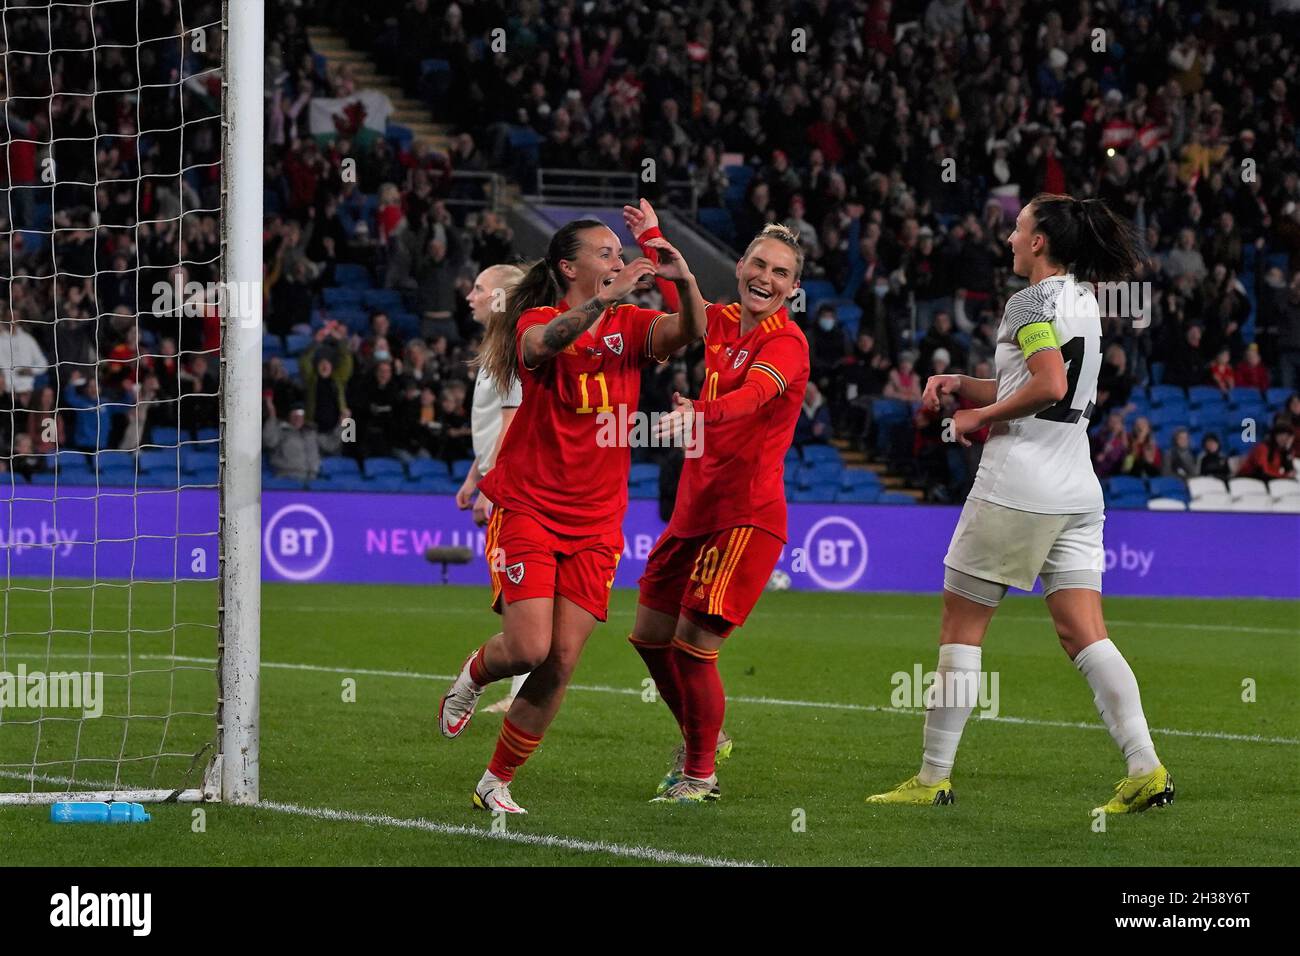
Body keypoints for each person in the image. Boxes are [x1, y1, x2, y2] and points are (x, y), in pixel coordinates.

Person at [868, 194, 1173, 815]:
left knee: (962, 628)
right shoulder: (1085, 299)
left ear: (1038, 242)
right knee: (1084, 634)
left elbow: (1048, 385)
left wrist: (977, 413)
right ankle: (1145, 767)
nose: (1009, 237)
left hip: (1019, 485)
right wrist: (965, 386)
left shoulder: (1029, 301)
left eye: (1017, 227)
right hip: (1077, 487)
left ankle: (932, 779)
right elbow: (1044, 386)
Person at [436, 217, 707, 814]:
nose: (618, 261)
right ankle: (474, 677)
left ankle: (495, 782)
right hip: (529, 506)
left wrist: (683, 280)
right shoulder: (533, 320)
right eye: (605, 254)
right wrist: (606, 300)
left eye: (620, 253)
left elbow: (690, 332)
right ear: (568, 267)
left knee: (560, 661)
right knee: (529, 647)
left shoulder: (634, 328)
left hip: (598, 522)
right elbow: (543, 345)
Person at [626, 208, 811, 803]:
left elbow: (753, 398)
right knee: (648, 635)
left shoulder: (787, 343)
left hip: (746, 514)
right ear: (740, 267)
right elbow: (694, 309)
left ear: (792, 289)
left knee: (693, 646)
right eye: (759, 263)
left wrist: (695, 415)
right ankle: (706, 735)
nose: (767, 277)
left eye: (780, 272)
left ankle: (699, 775)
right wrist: (658, 245)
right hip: (695, 507)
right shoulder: (726, 321)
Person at [456, 263, 529, 715]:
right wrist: (472, 475)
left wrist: (491, 485)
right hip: (500, 479)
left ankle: (523, 693)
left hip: (513, 488)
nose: (471, 295)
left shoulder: (510, 348)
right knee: (513, 595)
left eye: (480, 288)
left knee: (517, 595)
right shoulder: (496, 347)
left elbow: (513, 423)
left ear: (501, 297)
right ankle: (523, 690)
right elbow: (492, 425)